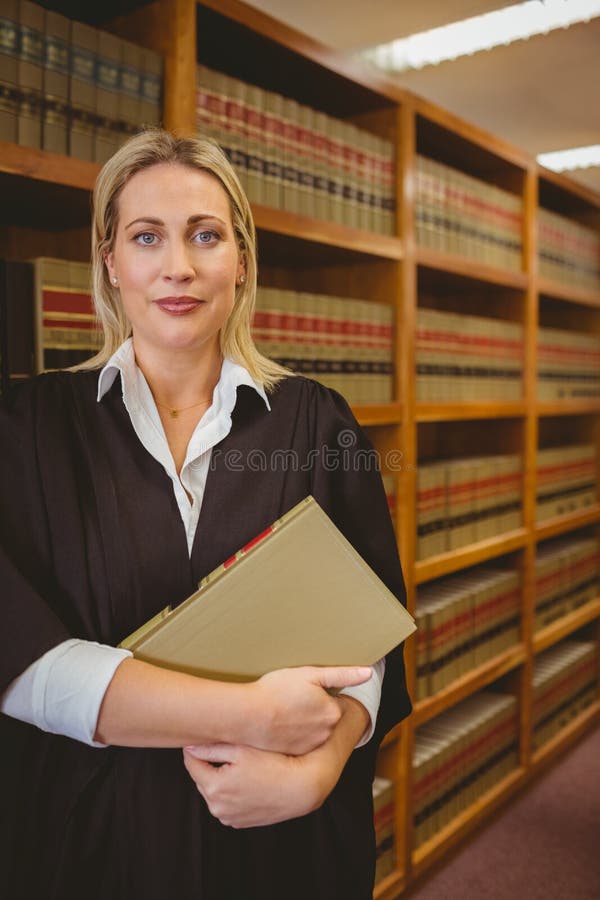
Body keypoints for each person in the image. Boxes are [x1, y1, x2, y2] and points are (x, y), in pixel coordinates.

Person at [0, 128, 411, 900]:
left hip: (280, 843)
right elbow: (17, 658)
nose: (178, 267)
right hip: (92, 839)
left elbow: (371, 636)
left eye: (205, 235)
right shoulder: (24, 431)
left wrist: (321, 770)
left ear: (242, 261)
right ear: (110, 262)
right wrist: (250, 714)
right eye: (146, 236)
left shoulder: (318, 422)